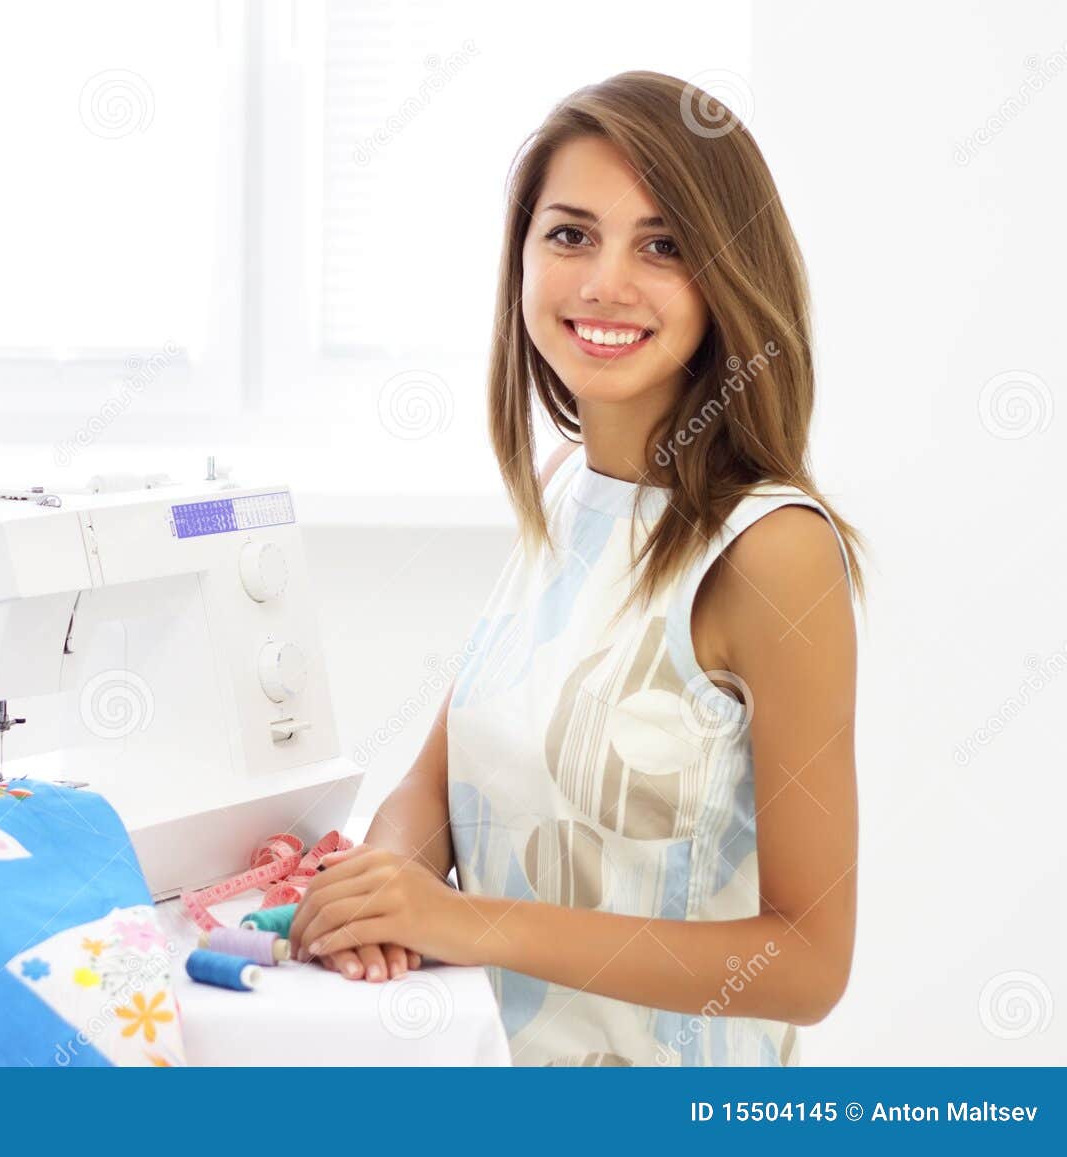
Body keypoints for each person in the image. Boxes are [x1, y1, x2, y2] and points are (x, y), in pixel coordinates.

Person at [288, 70, 866, 1067]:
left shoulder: (772, 552)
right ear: (520, 258)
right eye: (569, 234)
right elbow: (435, 782)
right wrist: (382, 888)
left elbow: (808, 961)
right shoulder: (566, 487)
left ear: (726, 274)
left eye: (662, 244)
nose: (603, 282)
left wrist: (466, 923)